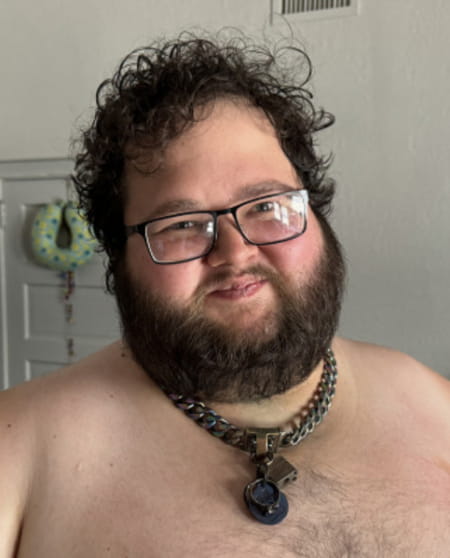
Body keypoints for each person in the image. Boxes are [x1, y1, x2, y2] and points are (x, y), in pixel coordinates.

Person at [1, 32, 449, 557]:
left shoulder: (436, 408)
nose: (235, 253)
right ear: (119, 259)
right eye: (182, 224)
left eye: (267, 206)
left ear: (317, 216)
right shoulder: (18, 450)